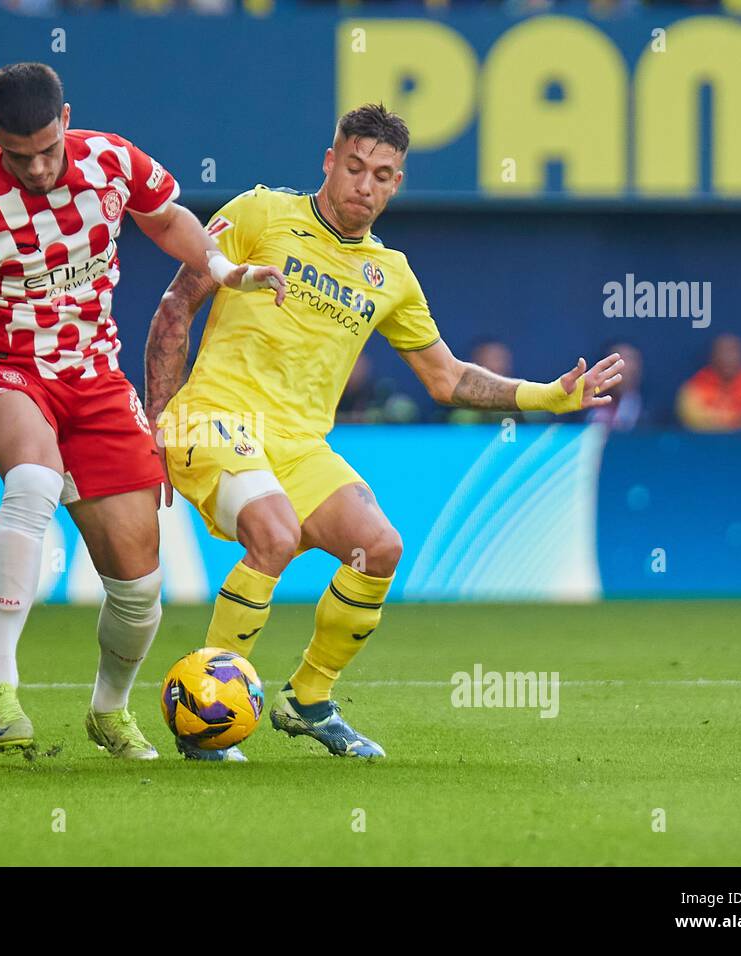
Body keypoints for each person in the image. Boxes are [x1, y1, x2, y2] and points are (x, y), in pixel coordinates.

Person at [144, 103, 623, 761]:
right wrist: (160, 424)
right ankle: (209, 716)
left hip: (299, 445)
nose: (363, 185)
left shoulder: (389, 276)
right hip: (215, 418)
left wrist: (547, 394)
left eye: (382, 174)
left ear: (397, 184)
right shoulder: (259, 213)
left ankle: (307, 699)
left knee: (379, 547)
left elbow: (447, 379)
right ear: (329, 162)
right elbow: (176, 308)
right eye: (354, 166)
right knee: (276, 534)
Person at [0, 62, 283, 760]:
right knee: (35, 478)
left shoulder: (112, 161)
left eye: (48, 147)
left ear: (66, 117)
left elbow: (167, 221)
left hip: (95, 379)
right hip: (5, 371)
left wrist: (226, 271)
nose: (39, 167)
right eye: (21, 154)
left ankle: (108, 711)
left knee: (140, 587)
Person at [676, 334, 741, 431]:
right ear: (713, 356)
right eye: (723, 352)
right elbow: (691, 419)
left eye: (733, 352)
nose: (728, 358)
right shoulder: (695, 387)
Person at [586, 341, 645, 430]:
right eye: (618, 361)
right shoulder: (583, 406)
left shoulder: (651, 413)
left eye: (631, 360)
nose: (627, 367)